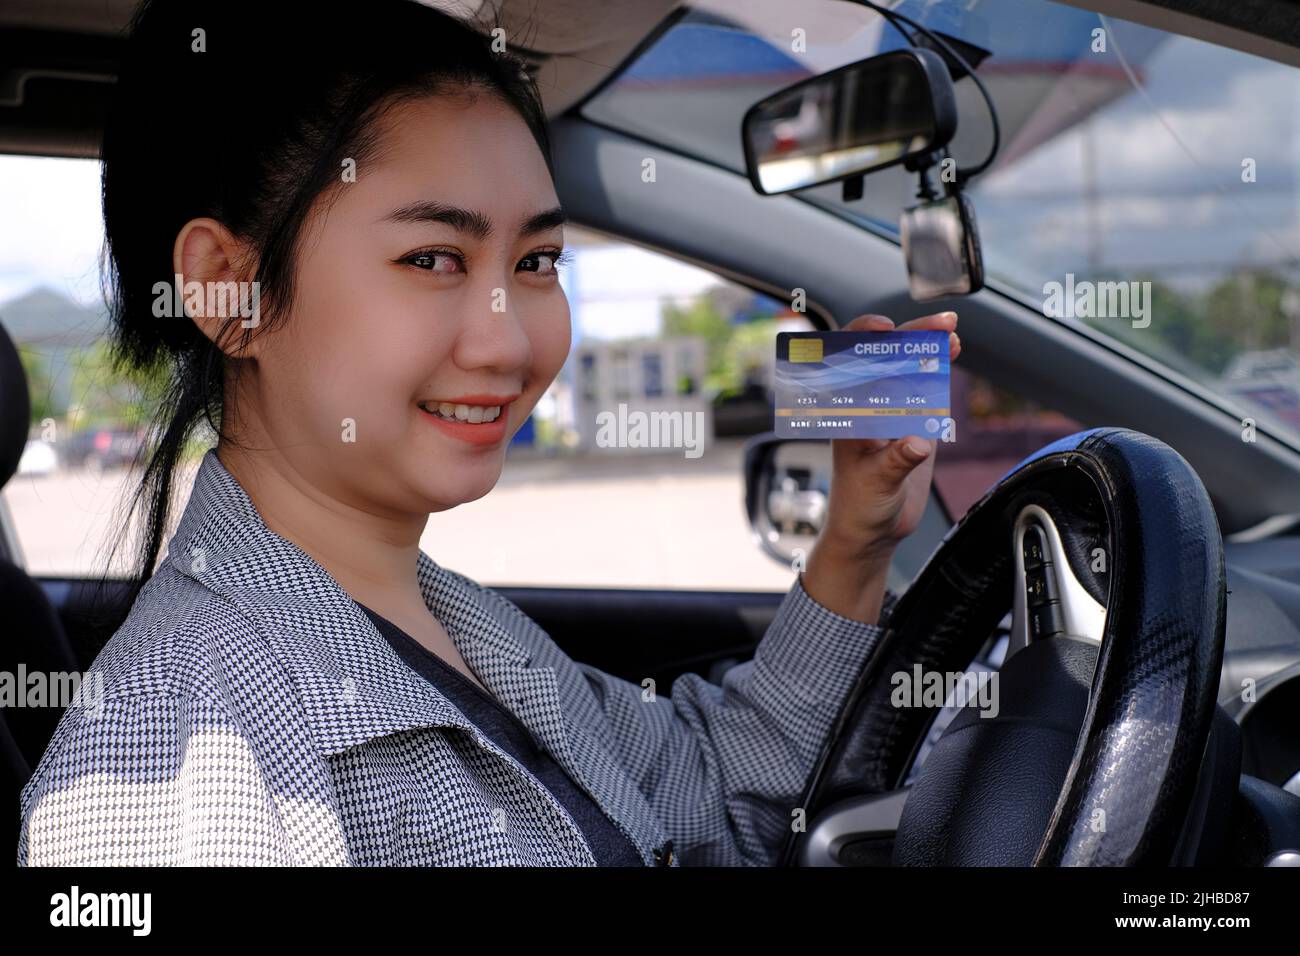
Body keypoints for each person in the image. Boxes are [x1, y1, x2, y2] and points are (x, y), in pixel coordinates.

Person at [17, 0, 960, 866]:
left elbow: (716, 799)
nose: (510, 339)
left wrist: (858, 535)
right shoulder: (179, 760)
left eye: (539, 260)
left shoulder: (456, 620)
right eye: (432, 258)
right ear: (230, 288)